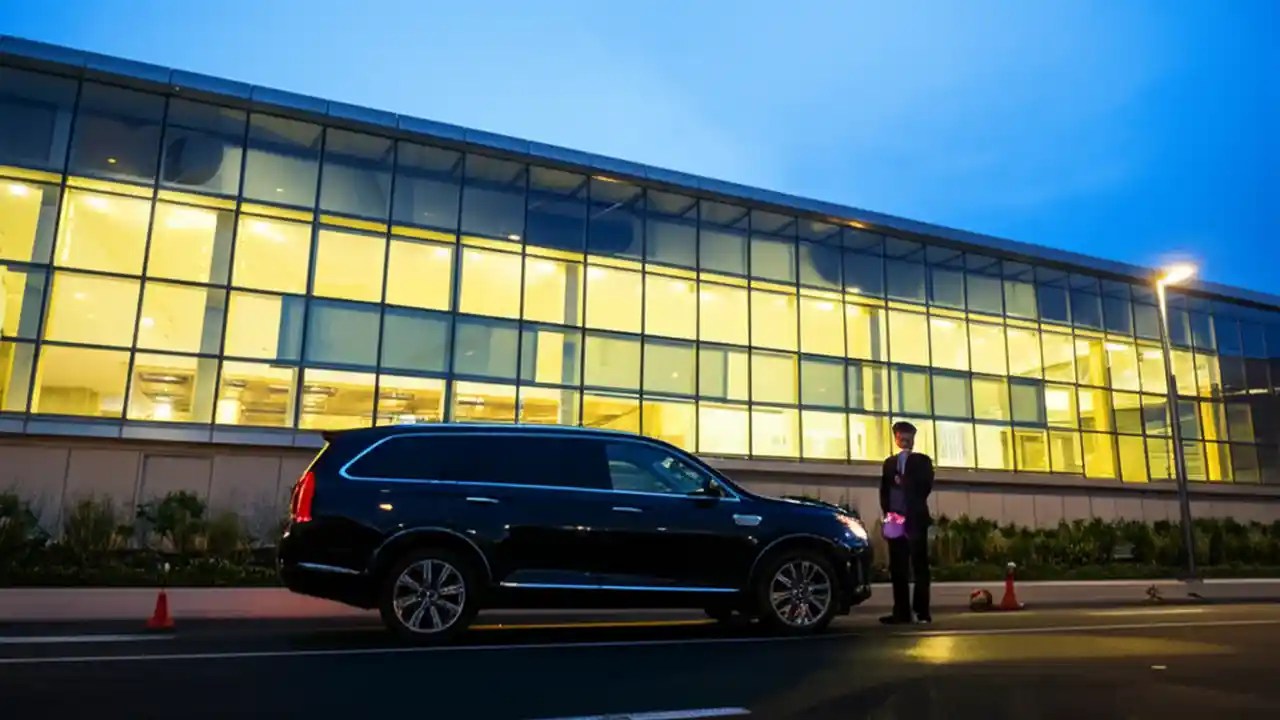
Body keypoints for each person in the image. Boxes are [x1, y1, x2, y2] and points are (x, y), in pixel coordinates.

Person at [879, 421, 934, 624]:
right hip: (895, 519)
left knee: (919, 567)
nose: (904, 440)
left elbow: (925, 486)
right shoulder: (889, 463)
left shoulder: (922, 461)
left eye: (908, 437)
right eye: (901, 436)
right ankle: (901, 611)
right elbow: (884, 490)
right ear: (896, 438)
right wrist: (888, 513)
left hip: (915, 519)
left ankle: (922, 611)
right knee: (898, 568)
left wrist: (905, 481)